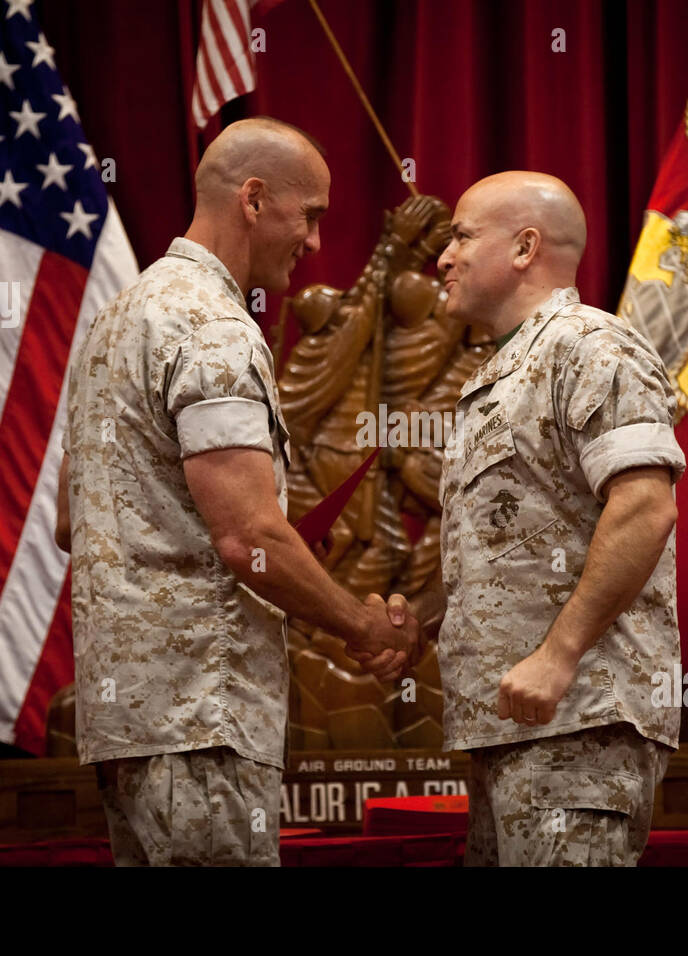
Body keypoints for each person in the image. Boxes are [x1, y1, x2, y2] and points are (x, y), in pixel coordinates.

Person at [57, 117, 419, 866]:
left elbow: (71, 521)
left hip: (127, 720)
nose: (316, 242)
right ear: (253, 199)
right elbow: (248, 539)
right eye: (309, 214)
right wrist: (362, 626)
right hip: (202, 715)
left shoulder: (113, 320)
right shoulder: (213, 326)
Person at [410, 171, 685, 866]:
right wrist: (420, 626)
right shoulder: (499, 373)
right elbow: (512, 549)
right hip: (512, 730)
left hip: (579, 725)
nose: (443, 257)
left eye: (462, 236)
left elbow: (646, 507)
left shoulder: (592, 346)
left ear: (525, 247)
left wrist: (560, 654)